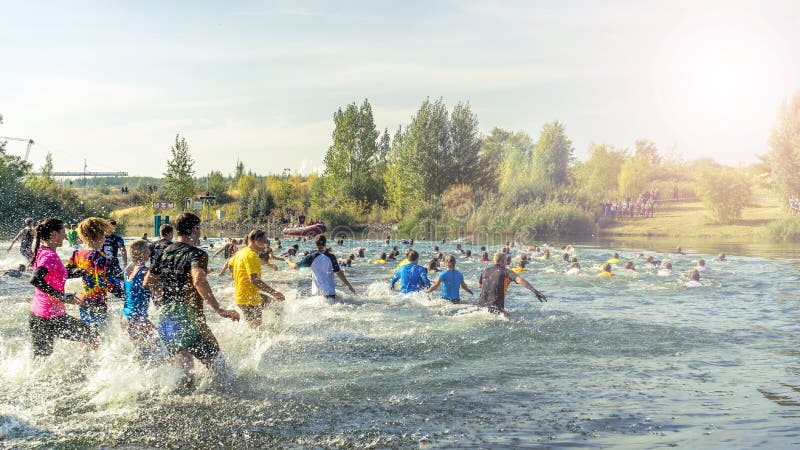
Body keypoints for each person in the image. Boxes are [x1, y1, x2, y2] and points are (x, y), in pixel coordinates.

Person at [144, 212, 240, 390]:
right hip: (190, 320)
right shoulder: (197, 254)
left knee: (184, 375)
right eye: (199, 228)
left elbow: (148, 281)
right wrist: (219, 309)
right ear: (195, 229)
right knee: (220, 370)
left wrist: (166, 300)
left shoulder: (164, 251)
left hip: (166, 319)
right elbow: (198, 280)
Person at [28, 218, 98, 357]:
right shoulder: (50, 256)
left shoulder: (42, 251)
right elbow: (35, 280)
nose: (66, 236)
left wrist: (73, 273)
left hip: (37, 315)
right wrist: (62, 297)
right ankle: (87, 373)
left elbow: (53, 276)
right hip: (51, 317)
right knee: (93, 337)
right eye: (63, 232)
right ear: (54, 234)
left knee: (40, 361)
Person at [67, 217, 125, 329]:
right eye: (103, 235)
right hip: (98, 302)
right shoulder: (100, 257)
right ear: (98, 236)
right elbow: (103, 281)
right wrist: (121, 293)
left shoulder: (77, 254)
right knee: (99, 335)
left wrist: (80, 273)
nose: (104, 238)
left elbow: (65, 272)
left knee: (88, 334)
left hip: (83, 300)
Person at [229, 229, 286, 327]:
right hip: (249, 300)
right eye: (265, 241)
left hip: (247, 296)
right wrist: (274, 292)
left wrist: (238, 278)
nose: (266, 244)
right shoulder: (251, 256)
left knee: (276, 306)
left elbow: (230, 265)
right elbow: (254, 280)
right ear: (257, 240)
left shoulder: (241, 252)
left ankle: (276, 330)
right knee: (255, 331)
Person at [284, 234, 356, 304]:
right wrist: (349, 286)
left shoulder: (311, 257)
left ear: (315, 244)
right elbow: (339, 273)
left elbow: (295, 267)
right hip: (330, 293)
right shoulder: (331, 257)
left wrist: (288, 261)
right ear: (325, 243)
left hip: (317, 296)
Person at [122, 239, 162, 361]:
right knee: (161, 347)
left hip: (125, 318)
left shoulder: (128, 269)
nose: (150, 252)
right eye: (148, 249)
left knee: (140, 352)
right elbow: (159, 291)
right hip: (138, 319)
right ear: (144, 252)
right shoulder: (145, 271)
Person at [477, 252, 546, 315]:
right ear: (504, 261)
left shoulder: (485, 271)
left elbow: (479, 286)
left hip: (480, 307)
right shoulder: (506, 271)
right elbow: (520, 280)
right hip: (495, 309)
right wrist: (534, 291)